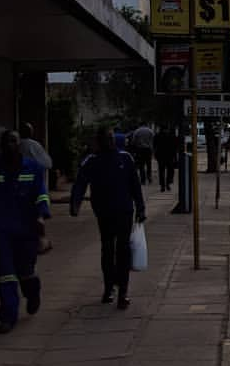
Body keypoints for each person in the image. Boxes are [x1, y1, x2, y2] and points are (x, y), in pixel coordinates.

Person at [0, 130, 51, 334]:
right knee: (5, 274)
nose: (9, 145)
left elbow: (41, 195)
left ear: (19, 145)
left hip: (27, 228)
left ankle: (33, 293)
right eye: (6, 142)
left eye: (13, 141)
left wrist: (41, 217)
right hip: (2, 229)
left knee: (26, 272)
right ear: (1, 145)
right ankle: (8, 316)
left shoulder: (33, 168)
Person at [70, 127, 146, 309]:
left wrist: (141, 208)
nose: (109, 141)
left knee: (123, 250)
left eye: (111, 138)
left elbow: (135, 185)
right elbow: (80, 182)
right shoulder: (92, 160)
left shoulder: (125, 158)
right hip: (104, 212)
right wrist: (75, 203)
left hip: (125, 211)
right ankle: (108, 287)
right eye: (105, 138)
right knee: (107, 249)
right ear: (99, 141)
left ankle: (123, 291)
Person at [153, 125, 179, 192]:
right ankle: (168, 184)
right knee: (170, 170)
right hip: (169, 156)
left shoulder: (157, 136)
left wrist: (155, 155)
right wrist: (175, 156)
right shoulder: (172, 136)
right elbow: (175, 147)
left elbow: (154, 146)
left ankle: (162, 186)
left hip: (161, 156)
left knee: (161, 171)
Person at [129, 120, 155, 184]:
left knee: (141, 165)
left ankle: (143, 179)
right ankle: (149, 177)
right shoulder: (150, 131)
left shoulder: (137, 131)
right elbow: (153, 140)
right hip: (148, 149)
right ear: (146, 124)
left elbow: (133, 141)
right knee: (149, 164)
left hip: (140, 150)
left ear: (140, 125)